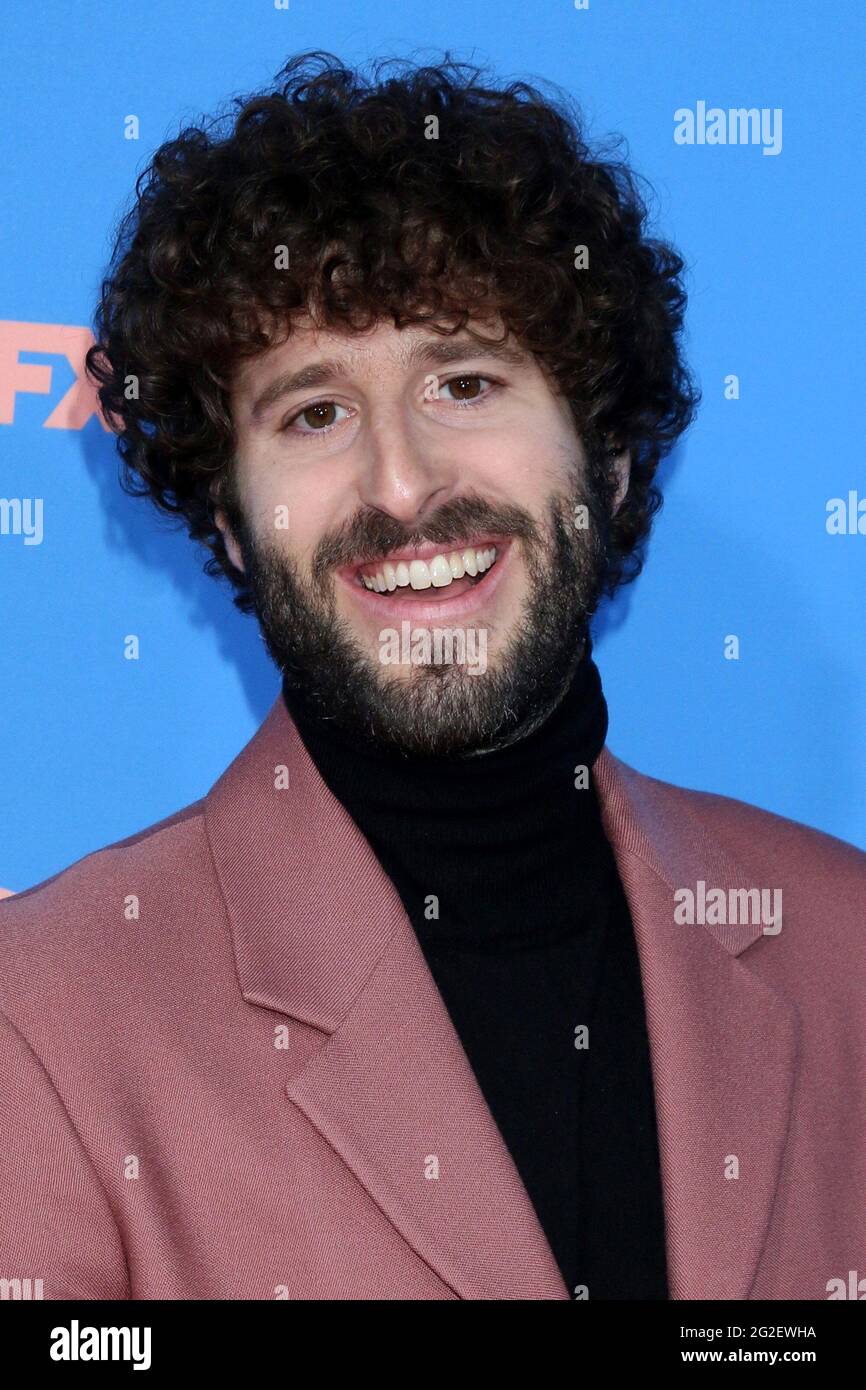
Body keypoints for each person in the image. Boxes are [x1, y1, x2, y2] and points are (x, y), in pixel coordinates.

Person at [1, 51, 864, 1302]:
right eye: (312, 413)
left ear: (607, 461)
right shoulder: (45, 1016)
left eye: (463, 382)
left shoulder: (838, 940)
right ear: (232, 526)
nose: (400, 484)